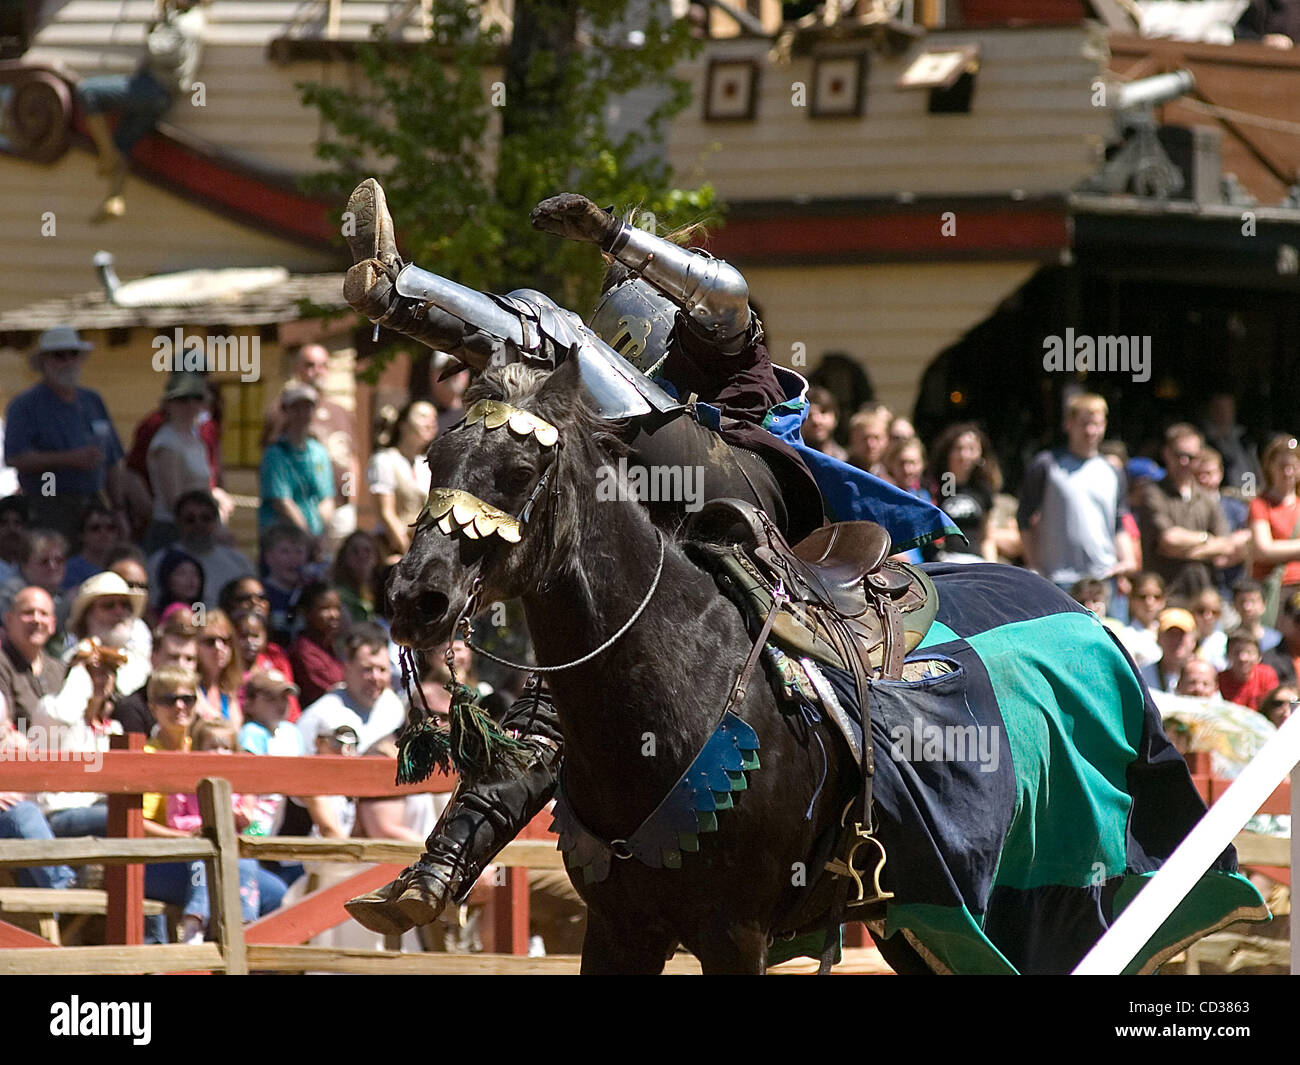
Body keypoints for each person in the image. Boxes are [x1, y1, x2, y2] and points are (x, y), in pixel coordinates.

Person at [339, 178, 955, 935]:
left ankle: (396, 288)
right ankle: (443, 867)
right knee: (548, 700)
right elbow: (520, 353)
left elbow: (725, 292)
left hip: (732, 489)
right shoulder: (615, 420)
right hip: (666, 564)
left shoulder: (731, 357)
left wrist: (610, 235)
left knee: (550, 325)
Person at [76, 0, 208, 221]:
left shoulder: (185, 24)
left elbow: (160, 51)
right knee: (123, 141)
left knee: (88, 92)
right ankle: (115, 198)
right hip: (165, 98)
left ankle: (106, 155)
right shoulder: (196, 18)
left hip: (151, 87)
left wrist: (154, 25)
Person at [3, 327, 126, 541]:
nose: (68, 361)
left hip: (93, 504)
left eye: (73, 354)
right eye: (59, 355)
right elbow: (16, 456)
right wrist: (70, 459)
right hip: (47, 502)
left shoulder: (92, 401)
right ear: (43, 362)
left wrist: (118, 508)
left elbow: (112, 461)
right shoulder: (25, 405)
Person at [1018, 393, 1136, 593]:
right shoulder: (1047, 464)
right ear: (1068, 424)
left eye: (1097, 424)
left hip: (1104, 577)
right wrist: (1034, 565)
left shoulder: (1113, 470)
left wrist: (1127, 559)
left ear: (1105, 425)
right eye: (1084, 424)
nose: (1091, 431)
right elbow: (1024, 517)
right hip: (1058, 579)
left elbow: (1119, 521)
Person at [1133, 424, 1248, 603]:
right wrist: (1207, 539)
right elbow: (1169, 539)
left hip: (1205, 601)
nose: (1184, 462)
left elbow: (1226, 545)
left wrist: (1186, 551)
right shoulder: (1152, 493)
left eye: (1191, 457)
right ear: (1166, 453)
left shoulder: (1206, 497)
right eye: (1179, 455)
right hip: (1165, 598)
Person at [262, 344, 358, 549]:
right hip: (288, 525)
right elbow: (276, 485)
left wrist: (353, 498)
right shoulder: (276, 414)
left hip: (335, 508)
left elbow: (352, 457)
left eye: (323, 365)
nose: (303, 414)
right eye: (310, 365)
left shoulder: (340, 412)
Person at [295, 623, 404, 756]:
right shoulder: (318, 716)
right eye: (367, 669)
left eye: (382, 669)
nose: (376, 677)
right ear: (347, 668)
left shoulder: (394, 707)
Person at [143, 373, 212, 552]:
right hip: (172, 530)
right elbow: (173, 500)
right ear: (168, 403)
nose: (190, 405)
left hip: (198, 528)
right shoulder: (166, 443)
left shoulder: (195, 438)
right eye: (182, 399)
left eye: (196, 398)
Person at [147, 490, 253, 608]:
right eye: (190, 519)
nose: (198, 525)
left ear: (216, 521)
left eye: (206, 518)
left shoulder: (239, 563)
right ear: (178, 523)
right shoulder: (159, 562)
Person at [258, 383, 335, 542]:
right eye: (296, 408)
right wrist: (307, 535)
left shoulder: (318, 451)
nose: (302, 414)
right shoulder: (275, 453)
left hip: (314, 537)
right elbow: (281, 501)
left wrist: (323, 535)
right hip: (283, 540)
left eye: (307, 407)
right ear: (286, 411)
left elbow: (326, 497)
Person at [110, 611, 199, 736]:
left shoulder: (196, 709)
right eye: (173, 657)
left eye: (189, 659)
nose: (181, 665)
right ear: (153, 657)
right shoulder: (131, 709)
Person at [367, 401, 436, 559]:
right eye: (423, 416)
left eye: (434, 417)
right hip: (391, 549)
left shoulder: (426, 465)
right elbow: (385, 513)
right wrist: (407, 550)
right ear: (403, 424)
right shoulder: (384, 460)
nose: (431, 422)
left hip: (423, 549)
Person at [0, 587, 68, 736]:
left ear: (52, 624)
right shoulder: (2, 664)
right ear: (9, 620)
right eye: (28, 613)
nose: (37, 620)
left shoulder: (60, 670)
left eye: (43, 614)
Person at [1248, 434, 1300, 627]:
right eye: (1281, 467)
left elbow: (1272, 548)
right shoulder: (1260, 504)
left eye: (1292, 467)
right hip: (1276, 590)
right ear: (1270, 468)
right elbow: (1263, 550)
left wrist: (1282, 549)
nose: (1287, 473)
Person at [0, 530, 72, 644]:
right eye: (44, 561)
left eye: (59, 560)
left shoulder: (62, 595)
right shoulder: (11, 592)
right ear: (24, 565)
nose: (53, 566)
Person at [288, 582, 346, 708]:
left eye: (337, 608)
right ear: (305, 613)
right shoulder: (303, 652)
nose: (334, 615)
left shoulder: (333, 647)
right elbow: (333, 693)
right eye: (325, 608)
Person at [196, 609, 243, 728]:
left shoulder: (228, 688)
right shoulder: (190, 685)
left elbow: (236, 730)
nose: (219, 647)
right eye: (210, 641)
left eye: (225, 641)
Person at [1139, 607, 1198, 694]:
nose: (1175, 640)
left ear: (1194, 640)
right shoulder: (1143, 676)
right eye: (1170, 634)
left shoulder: (1203, 676)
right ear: (1158, 638)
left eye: (1181, 635)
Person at [1116, 571, 1167, 669]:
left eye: (1156, 597)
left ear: (1163, 601)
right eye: (1142, 597)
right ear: (1132, 600)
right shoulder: (1126, 635)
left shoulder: (1171, 631)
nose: (1149, 602)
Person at [1218, 631, 1280, 711]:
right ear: (1227, 655)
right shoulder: (1219, 680)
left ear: (1259, 657)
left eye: (1249, 653)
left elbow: (1274, 706)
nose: (1243, 658)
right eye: (1236, 652)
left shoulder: (1267, 676)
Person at [331, 531, 381, 624]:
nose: (361, 556)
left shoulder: (384, 591)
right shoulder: (338, 596)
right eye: (355, 551)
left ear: (377, 557)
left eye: (367, 550)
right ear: (344, 557)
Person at [801, 386, 849, 462]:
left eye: (823, 412)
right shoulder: (795, 457)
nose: (816, 421)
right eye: (808, 415)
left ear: (835, 417)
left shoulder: (847, 460)